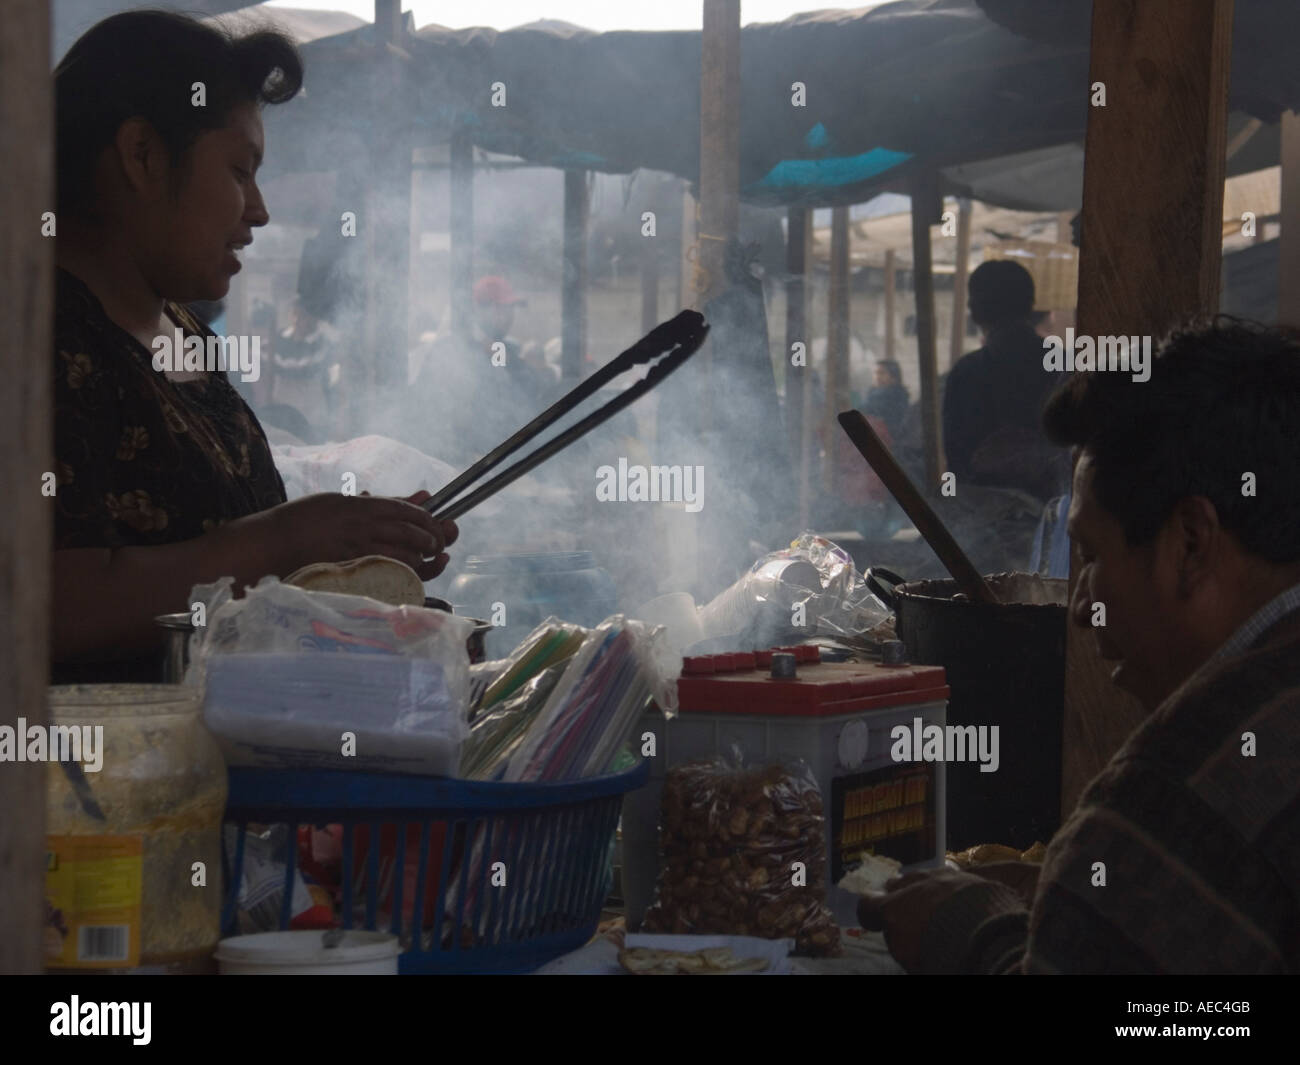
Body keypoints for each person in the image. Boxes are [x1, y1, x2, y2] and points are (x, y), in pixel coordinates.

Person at [861, 318, 1300, 973]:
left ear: (1190, 542)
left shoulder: (1181, 790)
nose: (1083, 606)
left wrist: (974, 932)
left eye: (1091, 554)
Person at [52, 12, 457, 683]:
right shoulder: (38, 339)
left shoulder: (180, 331)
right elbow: (52, 603)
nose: (259, 209)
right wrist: (291, 536)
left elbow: (225, 568)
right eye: (241, 169)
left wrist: (351, 561)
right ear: (143, 156)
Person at [942, 260, 1065, 500]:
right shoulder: (1065, 365)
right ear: (1031, 306)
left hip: (989, 523)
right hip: (1057, 517)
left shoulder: (968, 372)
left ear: (974, 311)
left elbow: (959, 464)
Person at [410, 275, 554, 467]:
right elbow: (432, 416)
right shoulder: (448, 351)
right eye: (500, 308)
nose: (508, 316)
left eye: (509, 309)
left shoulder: (504, 350)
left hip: (497, 463)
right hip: (455, 469)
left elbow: (526, 391)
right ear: (479, 310)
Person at [860, 358, 909, 442]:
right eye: (875, 373)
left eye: (882, 373)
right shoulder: (871, 396)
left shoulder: (898, 398)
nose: (877, 377)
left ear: (894, 377)